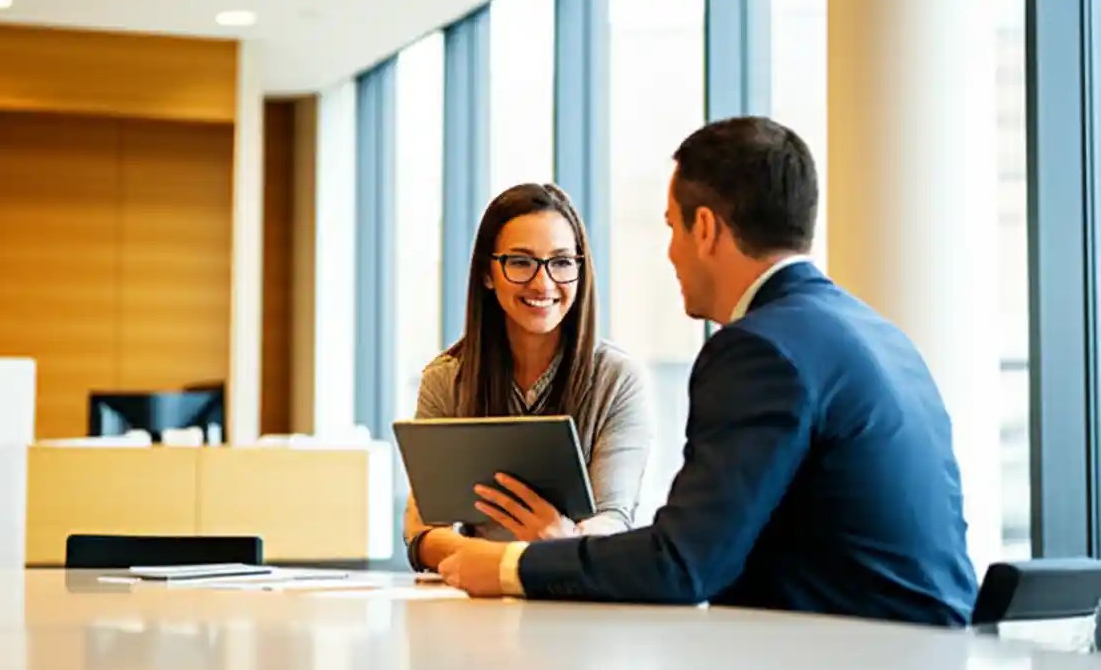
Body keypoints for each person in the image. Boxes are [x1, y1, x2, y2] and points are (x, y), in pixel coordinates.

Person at [438, 117, 979, 626]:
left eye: (672, 227)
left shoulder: (759, 350)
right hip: (913, 653)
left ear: (705, 228)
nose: (671, 254)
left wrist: (509, 567)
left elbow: (683, 562)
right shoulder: (878, 334)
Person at [403, 182, 653, 573]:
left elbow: (614, 521)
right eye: (520, 262)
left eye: (561, 261)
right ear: (489, 273)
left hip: (573, 603)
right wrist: (522, 556)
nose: (543, 282)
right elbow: (421, 529)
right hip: (474, 604)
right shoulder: (447, 378)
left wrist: (559, 544)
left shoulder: (617, 379)